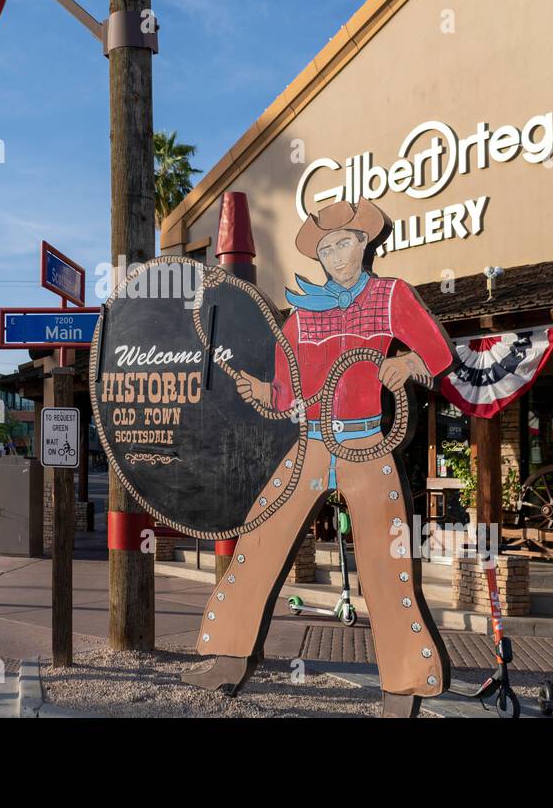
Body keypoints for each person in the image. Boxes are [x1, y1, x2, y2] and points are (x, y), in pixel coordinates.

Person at [182, 199, 458, 717]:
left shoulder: (388, 295)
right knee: (257, 542)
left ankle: (403, 684)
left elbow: (439, 355)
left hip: (365, 445)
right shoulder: (305, 310)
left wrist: (407, 362)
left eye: (345, 243)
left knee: (388, 565)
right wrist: (260, 391)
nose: (336, 254)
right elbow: (286, 392)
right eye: (327, 247)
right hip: (309, 445)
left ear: (364, 244)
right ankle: (227, 658)